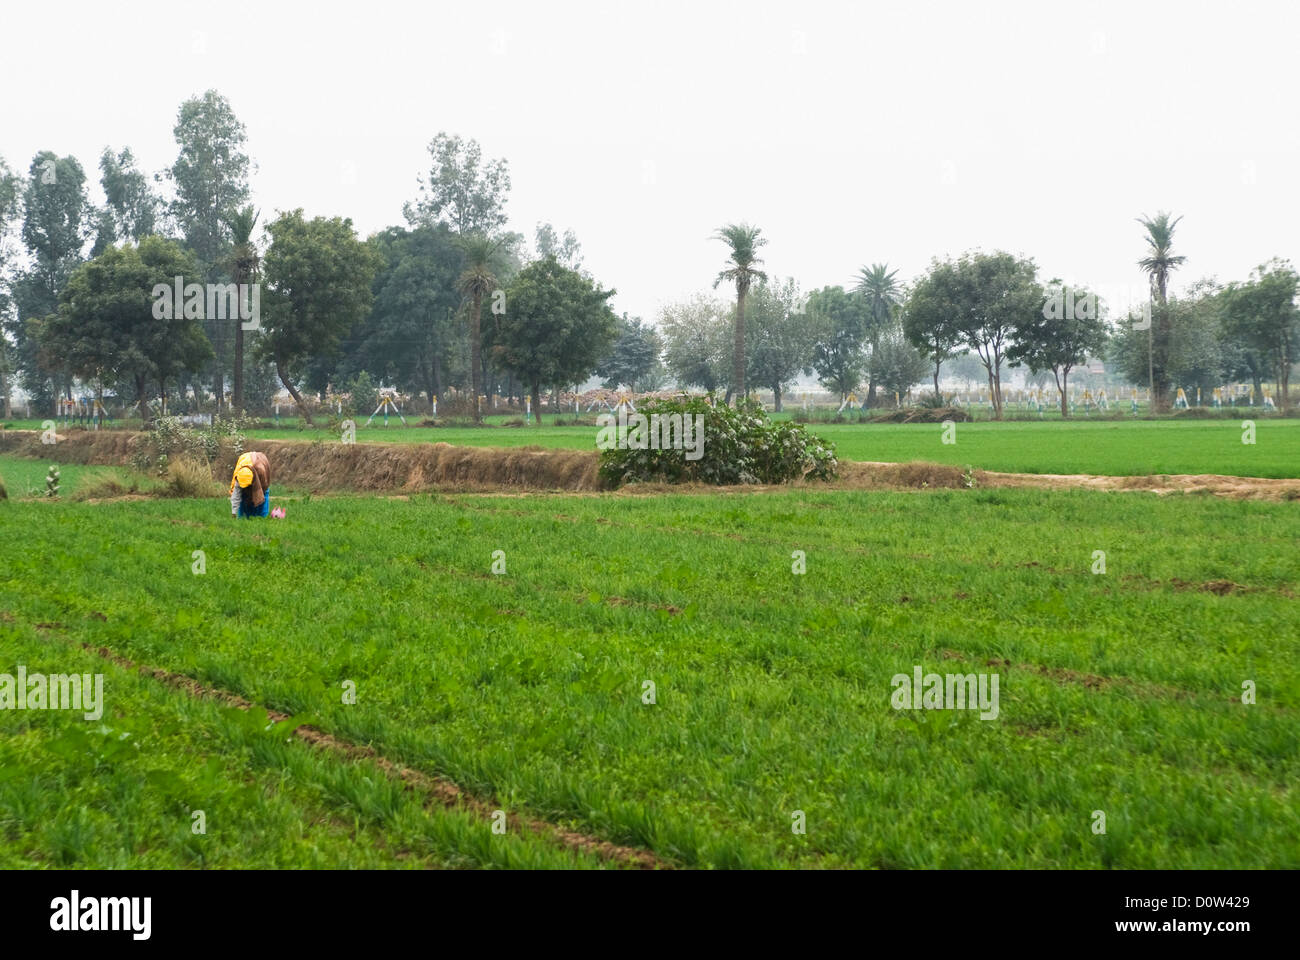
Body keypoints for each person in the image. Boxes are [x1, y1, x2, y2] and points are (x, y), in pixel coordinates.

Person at [229, 451, 272, 519]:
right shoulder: (238, 476)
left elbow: (262, 490)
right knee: (244, 497)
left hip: (261, 462)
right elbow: (236, 496)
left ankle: (262, 517)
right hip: (245, 460)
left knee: (262, 498)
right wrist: (234, 513)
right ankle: (243, 518)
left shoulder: (261, 471)